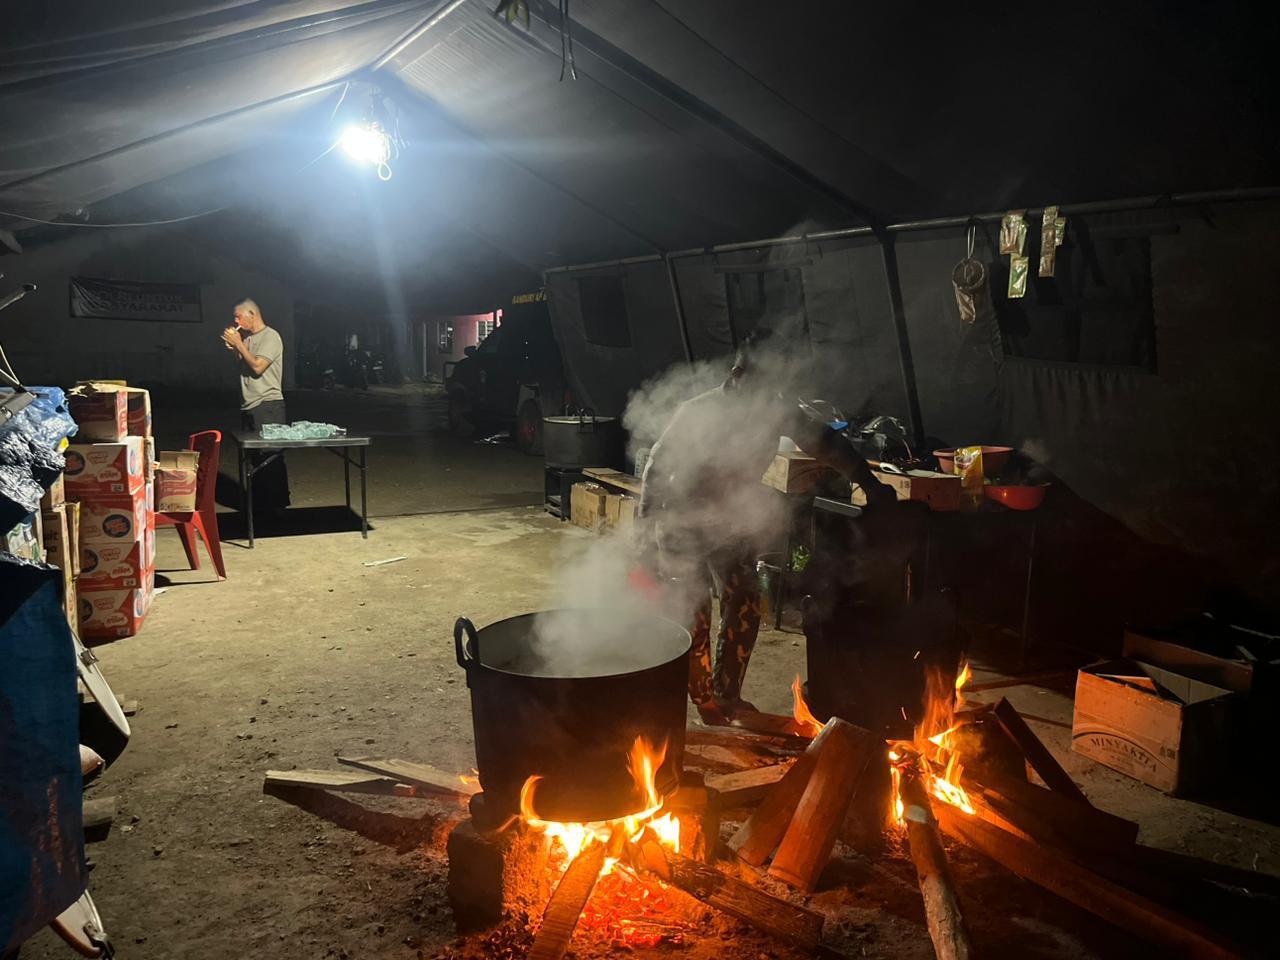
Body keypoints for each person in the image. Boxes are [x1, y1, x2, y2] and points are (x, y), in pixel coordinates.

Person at [637, 330, 897, 725]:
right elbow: (656, 468)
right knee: (694, 617)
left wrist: (870, 482)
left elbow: (826, 443)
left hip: (732, 525)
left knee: (745, 602)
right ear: (738, 376)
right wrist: (644, 536)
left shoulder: (774, 409)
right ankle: (705, 702)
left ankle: (728, 694)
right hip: (682, 523)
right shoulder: (698, 412)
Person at [222, 298, 290, 508]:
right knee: (254, 459)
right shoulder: (249, 338)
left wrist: (239, 344)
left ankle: (278, 508)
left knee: (270, 458)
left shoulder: (271, 336)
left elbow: (258, 367)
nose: (236, 320)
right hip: (249, 404)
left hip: (268, 405)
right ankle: (260, 506)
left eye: (238, 316)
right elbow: (245, 366)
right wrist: (235, 349)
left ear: (252, 313)